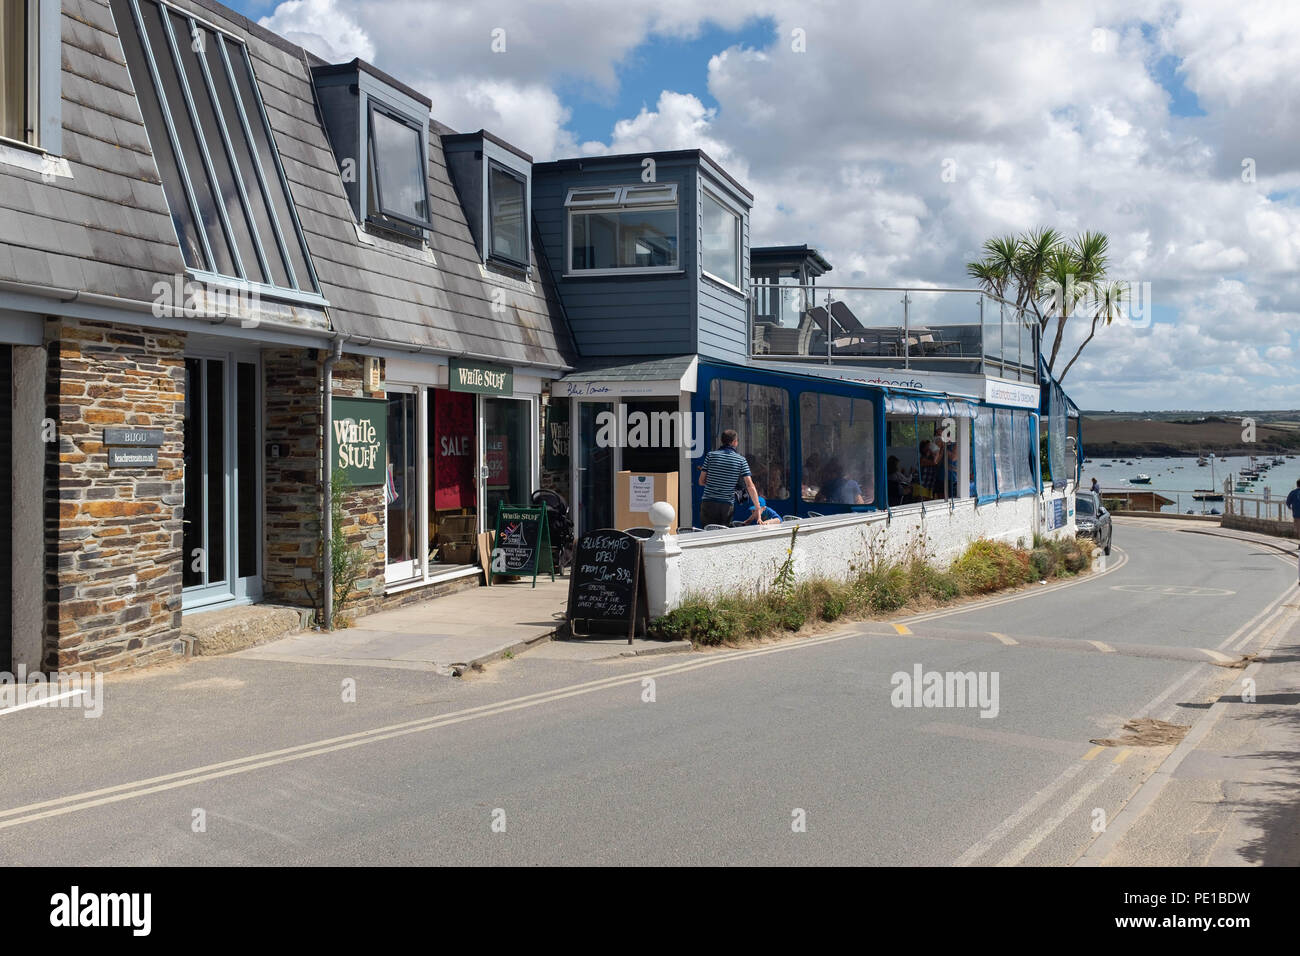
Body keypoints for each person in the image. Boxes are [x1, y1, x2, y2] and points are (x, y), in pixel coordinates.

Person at [698, 428, 760, 527]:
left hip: (708, 502)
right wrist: (758, 508)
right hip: (726, 505)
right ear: (734, 442)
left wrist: (715, 482)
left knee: (707, 534)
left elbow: (701, 481)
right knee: (723, 535)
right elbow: (750, 485)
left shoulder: (710, 456)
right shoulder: (741, 460)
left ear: (722, 441)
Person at [1287, 479, 1300, 551]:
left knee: (1299, 529)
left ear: (1297, 485)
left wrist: (1290, 507)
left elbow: (1288, 502)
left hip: (1297, 514)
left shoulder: (1293, 492)